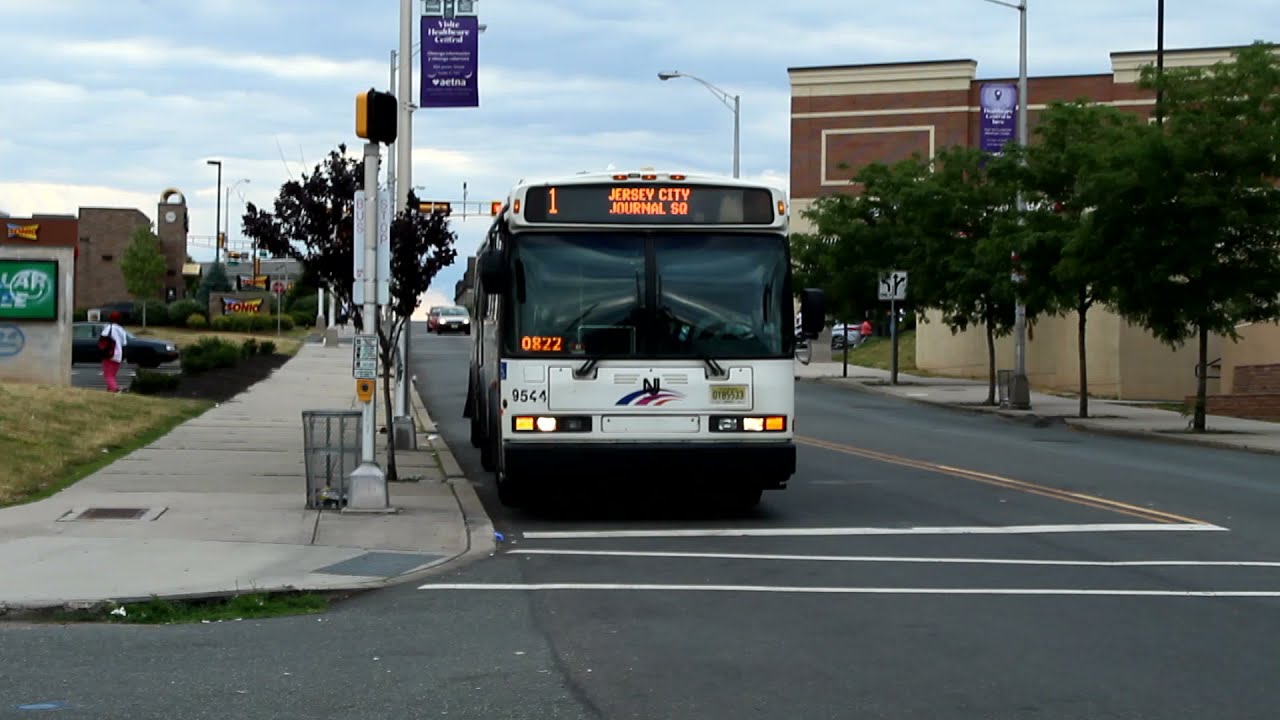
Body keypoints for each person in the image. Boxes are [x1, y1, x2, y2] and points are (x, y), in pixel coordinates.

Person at [99, 312, 128, 393]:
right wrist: (124, 357)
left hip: (109, 353)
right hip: (118, 355)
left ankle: (115, 390)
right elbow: (124, 344)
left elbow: (102, 339)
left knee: (108, 375)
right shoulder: (122, 330)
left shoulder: (108, 328)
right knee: (112, 375)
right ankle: (110, 391)